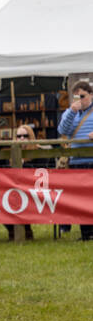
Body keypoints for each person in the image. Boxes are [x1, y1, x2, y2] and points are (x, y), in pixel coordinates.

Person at [58, 79, 93, 241]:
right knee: (81, 199)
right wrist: (72, 111)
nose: (79, 100)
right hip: (77, 162)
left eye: (82, 96)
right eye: (76, 97)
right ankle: (86, 233)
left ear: (91, 95)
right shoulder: (70, 112)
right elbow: (62, 130)